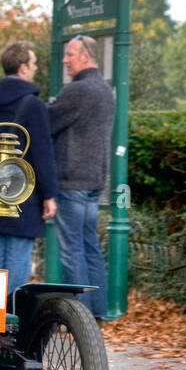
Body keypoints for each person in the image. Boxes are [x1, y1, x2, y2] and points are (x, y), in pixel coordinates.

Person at [0, 41, 57, 293]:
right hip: (23, 195)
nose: (36, 68)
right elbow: (42, 152)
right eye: (34, 63)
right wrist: (50, 194)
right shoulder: (33, 105)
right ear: (23, 67)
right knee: (18, 258)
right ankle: (14, 320)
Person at [48, 34, 116, 321]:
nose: (65, 60)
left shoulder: (77, 91)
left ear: (86, 56)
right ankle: (98, 311)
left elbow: (47, 122)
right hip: (94, 181)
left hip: (72, 179)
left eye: (70, 54)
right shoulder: (105, 90)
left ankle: (82, 319)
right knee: (90, 248)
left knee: (71, 250)